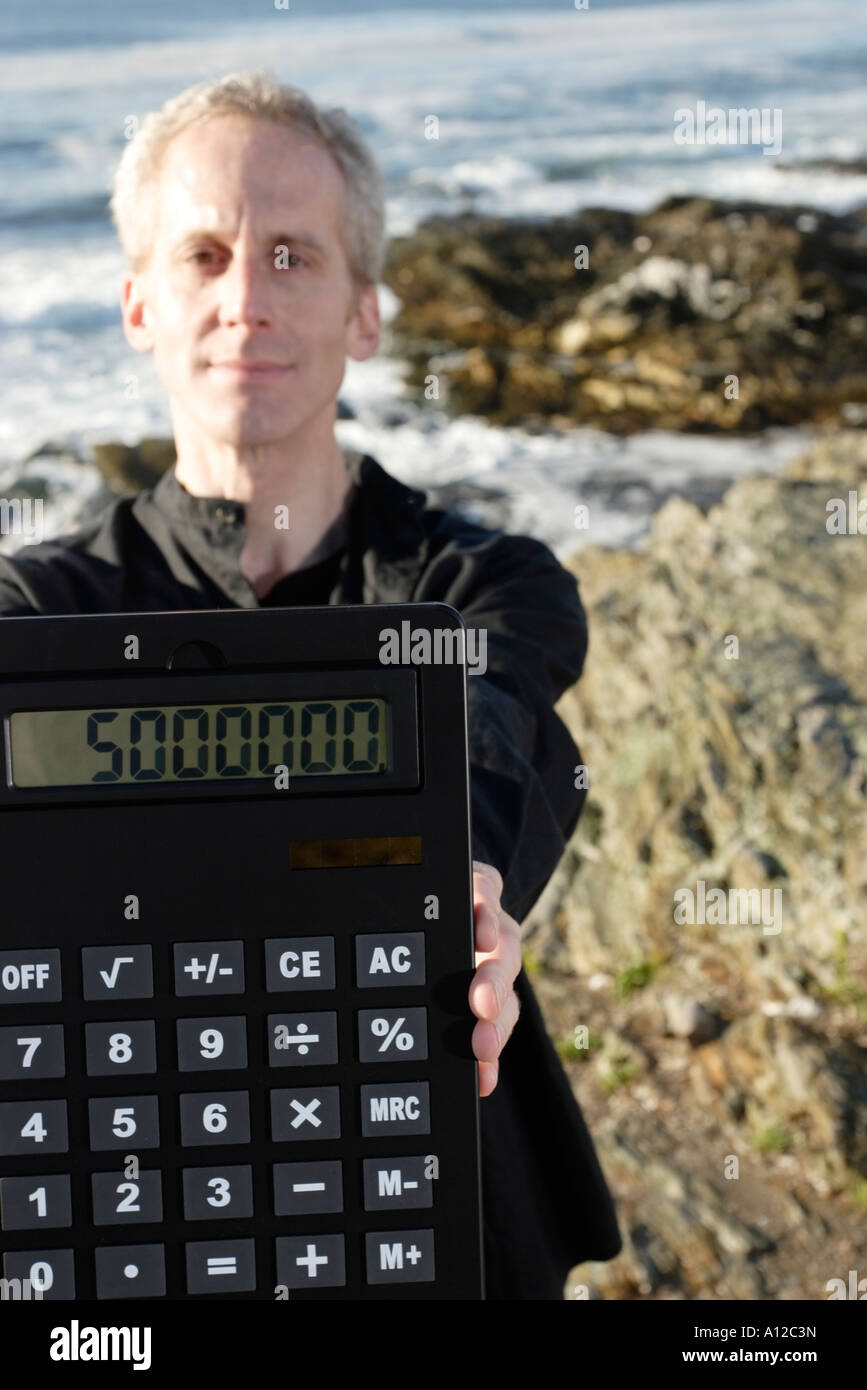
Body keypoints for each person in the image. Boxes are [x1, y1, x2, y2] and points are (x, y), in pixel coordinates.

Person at [0, 71, 621, 1298]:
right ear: (136, 303)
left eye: (293, 255)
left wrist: (467, 881)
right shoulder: (33, 620)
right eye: (204, 254)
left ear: (366, 313)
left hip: (430, 1161)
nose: (245, 300)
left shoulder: (488, 583)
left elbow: (495, 731)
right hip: (130, 1191)